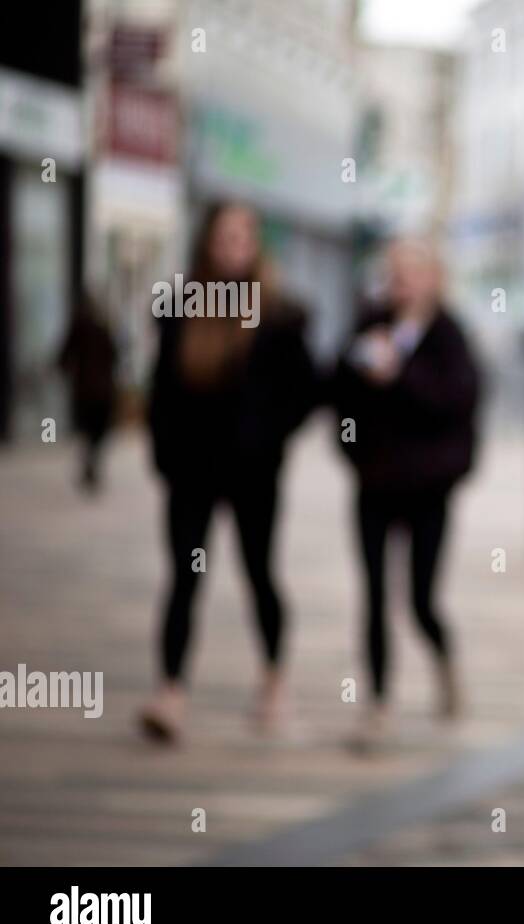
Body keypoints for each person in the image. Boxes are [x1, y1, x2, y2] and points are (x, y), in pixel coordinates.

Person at [139, 203, 318, 743]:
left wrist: (270, 437)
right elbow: (160, 393)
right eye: (223, 236)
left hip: (254, 475)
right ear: (206, 242)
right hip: (192, 473)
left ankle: (273, 679)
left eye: (242, 237)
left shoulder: (280, 315)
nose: (232, 247)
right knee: (184, 579)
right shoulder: (181, 308)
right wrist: (165, 456)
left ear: (255, 244)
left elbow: (306, 391)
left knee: (259, 574)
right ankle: (170, 692)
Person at [333, 238, 480, 749]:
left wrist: (401, 376)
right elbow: (340, 396)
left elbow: (458, 403)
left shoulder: (450, 337)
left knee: (419, 600)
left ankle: (444, 660)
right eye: (394, 273)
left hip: (427, 492)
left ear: (435, 278)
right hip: (374, 486)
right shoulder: (367, 324)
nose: (402, 283)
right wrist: (352, 453)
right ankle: (378, 703)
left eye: (413, 273)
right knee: (372, 594)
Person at [57, 293, 118, 492]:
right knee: (96, 431)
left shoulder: (82, 329)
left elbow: (64, 356)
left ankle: (91, 461)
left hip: (87, 389)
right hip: (100, 390)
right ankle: (92, 461)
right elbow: (114, 356)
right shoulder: (100, 329)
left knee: (91, 430)